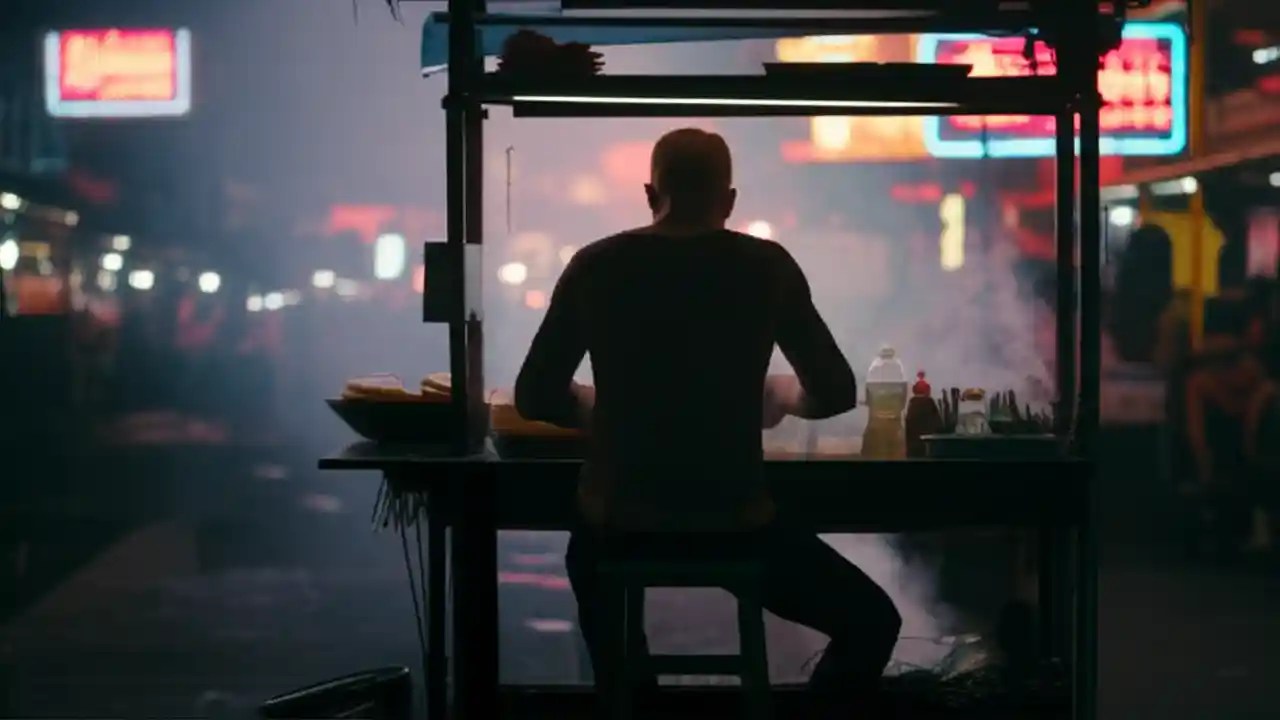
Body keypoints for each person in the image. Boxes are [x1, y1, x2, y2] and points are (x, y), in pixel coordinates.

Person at [514, 128, 902, 716]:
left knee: (595, 580)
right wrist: (778, 394)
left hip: (619, 526)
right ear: (729, 200)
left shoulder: (595, 265)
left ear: (651, 193)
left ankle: (629, 693)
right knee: (873, 621)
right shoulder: (764, 266)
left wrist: (604, 407)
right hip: (737, 524)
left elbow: (534, 394)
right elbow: (834, 391)